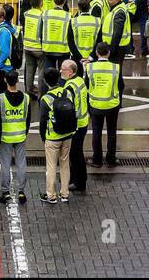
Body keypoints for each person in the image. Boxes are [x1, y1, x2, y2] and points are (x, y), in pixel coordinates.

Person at [39, 67, 73, 204]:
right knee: (65, 164)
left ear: (46, 81)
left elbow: (43, 121)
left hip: (53, 137)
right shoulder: (67, 93)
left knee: (51, 166)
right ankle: (65, 194)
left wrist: (43, 137)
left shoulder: (45, 99)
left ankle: (51, 195)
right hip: (67, 134)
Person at [0, 69, 30, 204]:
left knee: (5, 164)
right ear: (17, 81)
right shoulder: (26, 98)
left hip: (6, 136)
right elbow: (28, 119)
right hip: (20, 135)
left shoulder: (1, 98)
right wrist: (24, 132)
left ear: (5, 80)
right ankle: (21, 191)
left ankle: (5, 192)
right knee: (21, 164)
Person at [86, 47, 123, 165]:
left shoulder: (90, 67)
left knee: (96, 132)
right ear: (109, 53)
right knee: (112, 132)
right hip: (112, 104)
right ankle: (111, 159)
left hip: (95, 104)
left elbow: (86, 85)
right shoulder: (116, 67)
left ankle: (97, 159)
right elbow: (121, 85)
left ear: (96, 53)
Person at [63, 58, 90, 193]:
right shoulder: (80, 81)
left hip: (76, 125)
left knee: (76, 154)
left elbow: (68, 109)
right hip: (83, 122)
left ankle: (79, 182)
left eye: (64, 69)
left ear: (71, 71)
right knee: (76, 153)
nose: (61, 71)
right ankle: (76, 179)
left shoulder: (69, 87)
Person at [19, 0, 45, 94]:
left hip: (28, 46)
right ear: (41, 3)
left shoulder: (26, 14)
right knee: (41, 71)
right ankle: (41, 93)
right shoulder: (42, 15)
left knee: (29, 71)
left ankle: (28, 91)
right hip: (38, 47)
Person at [101, 0, 131, 65]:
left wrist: (112, 50)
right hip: (116, 46)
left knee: (116, 72)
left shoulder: (119, 11)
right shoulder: (116, 8)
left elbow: (117, 33)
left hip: (117, 47)